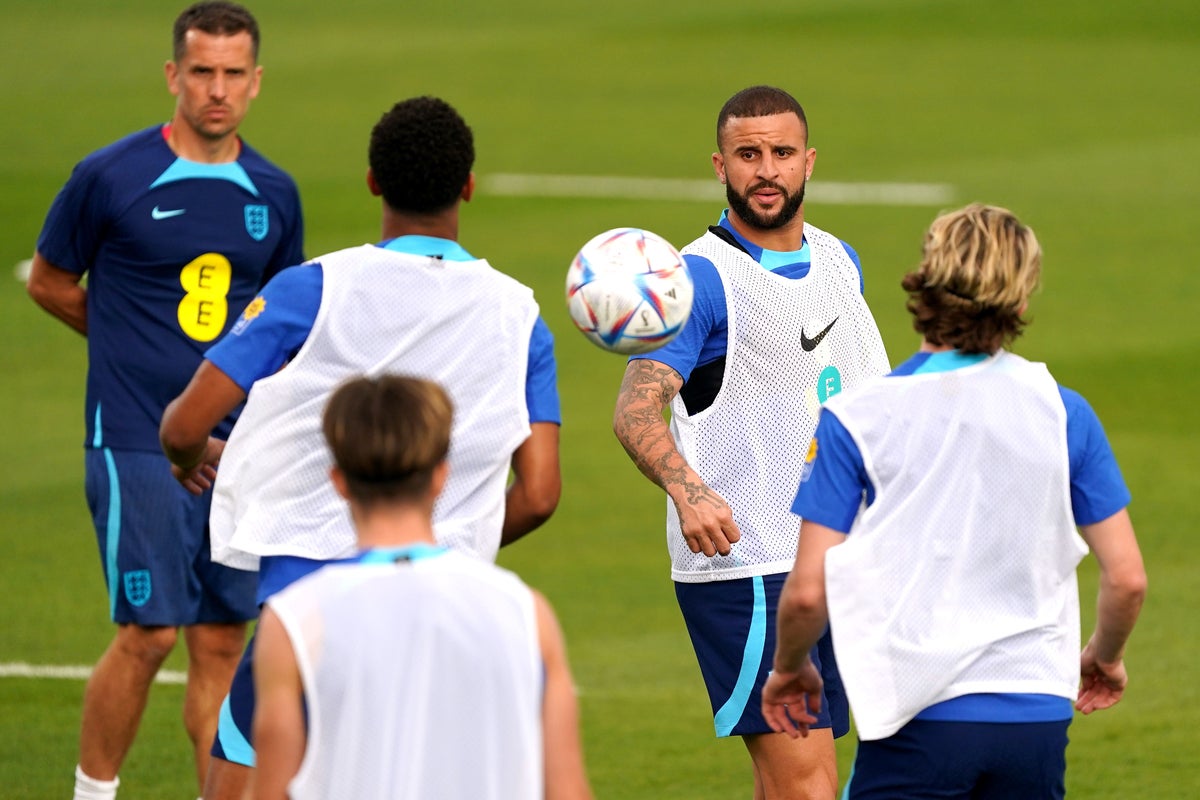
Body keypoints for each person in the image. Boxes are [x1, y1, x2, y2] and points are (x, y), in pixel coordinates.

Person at [160, 94, 562, 799]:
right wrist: (451, 539)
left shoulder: (309, 289)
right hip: (447, 622)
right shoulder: (520, 318)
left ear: (373, 181)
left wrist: (195, 460)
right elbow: (538, 494)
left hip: (302, 618)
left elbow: (185, 426)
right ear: (467, 186)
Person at [762, 203, 1148, 799]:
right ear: (1019, 303)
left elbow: (809, 590)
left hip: (919, 718)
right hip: (1037, 721)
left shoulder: (856, 418)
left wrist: (790, 668)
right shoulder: (1062, 410)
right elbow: (1126, 579)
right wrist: (1104, 655)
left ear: (926, 283)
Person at [25, 3, 305, 797]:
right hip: (137, 441)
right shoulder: (109, 176)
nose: (216, 89)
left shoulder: (275, 193)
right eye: (202, 71)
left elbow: (276, 318)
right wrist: (119, 339)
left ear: (255, 83)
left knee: (222, 642)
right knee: (148, 633)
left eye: (233, 73)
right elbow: (49, 280)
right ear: (173, 75)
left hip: (238, 450)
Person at [612, 85, 890, 799]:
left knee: (796, 782)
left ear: (809, 161)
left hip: (841, 559)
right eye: (748, 155)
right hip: (753, 569)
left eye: (781, 153)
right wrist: (689, 489)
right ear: (719, 165)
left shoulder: (840, 260)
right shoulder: (697, 280)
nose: (766, 170)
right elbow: (636, 412)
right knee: (808, 785)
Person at [251, 374, 591, 800]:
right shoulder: (526, 613)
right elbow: (568, 792)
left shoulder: (294, 621)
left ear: (338, 481)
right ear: (440, 477)